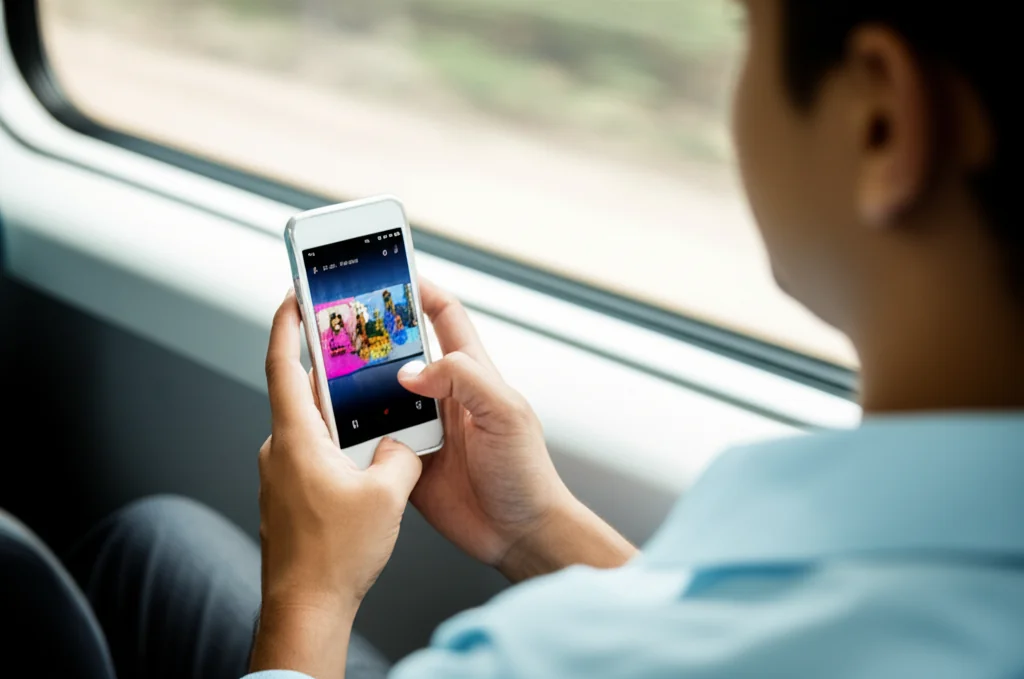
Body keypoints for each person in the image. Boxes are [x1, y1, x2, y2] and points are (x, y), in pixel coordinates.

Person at [246, 0, 1024, 676]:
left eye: (744, 25)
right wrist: (533, 528)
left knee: (151, 549)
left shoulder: (532, 659)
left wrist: (308, 595)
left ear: (880, 121)